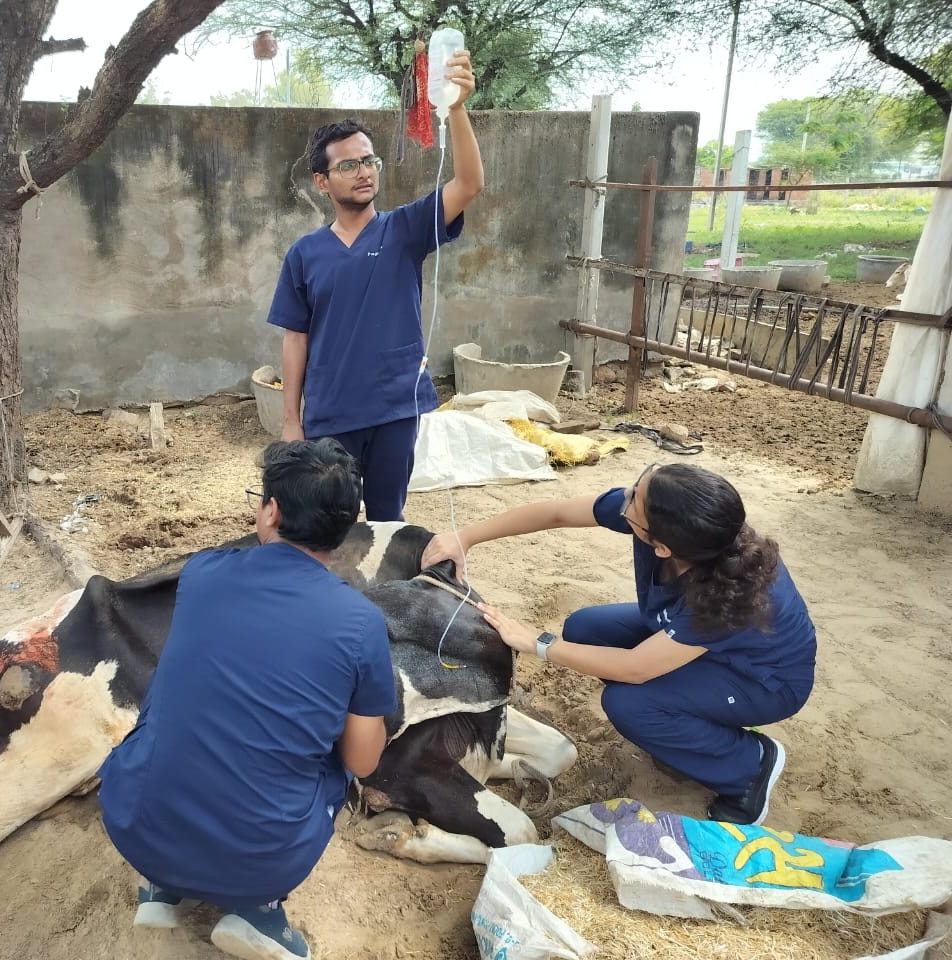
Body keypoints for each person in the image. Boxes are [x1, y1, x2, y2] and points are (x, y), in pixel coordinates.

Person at [97, 439, 395, 960]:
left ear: (271, 511)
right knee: (337, 767)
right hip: (258, 861)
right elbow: (363, 761)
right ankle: (259, 912)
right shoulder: (360, 621)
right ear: (344, 530)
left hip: (133, 820)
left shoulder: (202, 572)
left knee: (176, 714)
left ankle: (161, 887)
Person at [422, 463, 817, 826]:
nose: (625, 499)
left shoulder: (727, 597)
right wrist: (465, 537)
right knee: (584, 628)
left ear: (660, 546)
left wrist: (537, 642)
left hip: (762, 682)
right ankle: (684, 729)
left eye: (634, 501)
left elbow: (635, 668)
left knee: (628, 703)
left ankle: (749, 766)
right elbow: (556, 513)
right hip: (698, 645)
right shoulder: (676, 524)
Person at [266, 49, 484, 522]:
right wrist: (291, 421)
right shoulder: (305, 254)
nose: (364, 172)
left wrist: (458, 108)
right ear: (322, 183)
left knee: (388, 518)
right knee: (328, 524)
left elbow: (468, 183)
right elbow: (295, 338)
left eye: (369, 160)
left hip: (393, 410)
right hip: (330, 416)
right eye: (348, 165)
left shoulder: (404, 230)